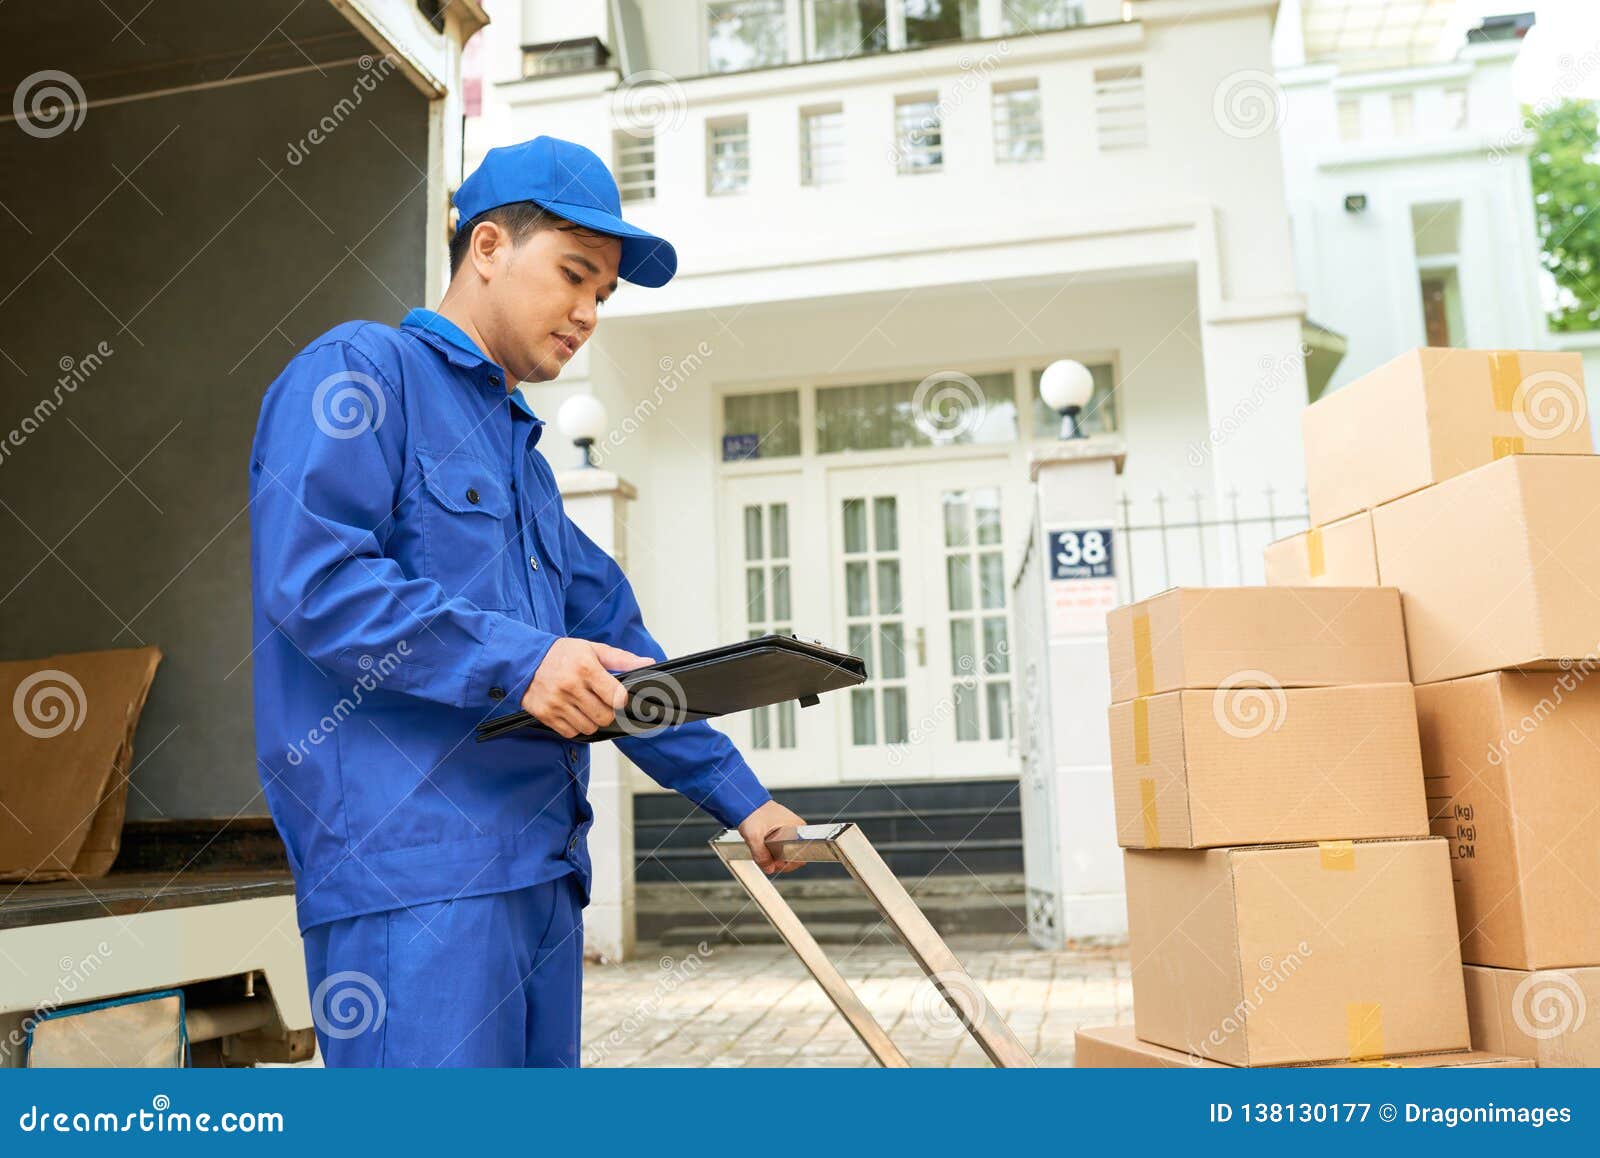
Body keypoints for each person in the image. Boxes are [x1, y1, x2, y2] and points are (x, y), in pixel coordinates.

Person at [248, 135, 806, 1068]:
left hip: (541, 877)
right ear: (489, 246)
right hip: (415, 880)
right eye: (574, 275)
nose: (588, 313)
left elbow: (623, 658)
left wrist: (745, 802)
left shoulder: (526, 471)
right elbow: (318, 582)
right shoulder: (361, 374)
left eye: (604, 296)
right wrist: (522, 660)